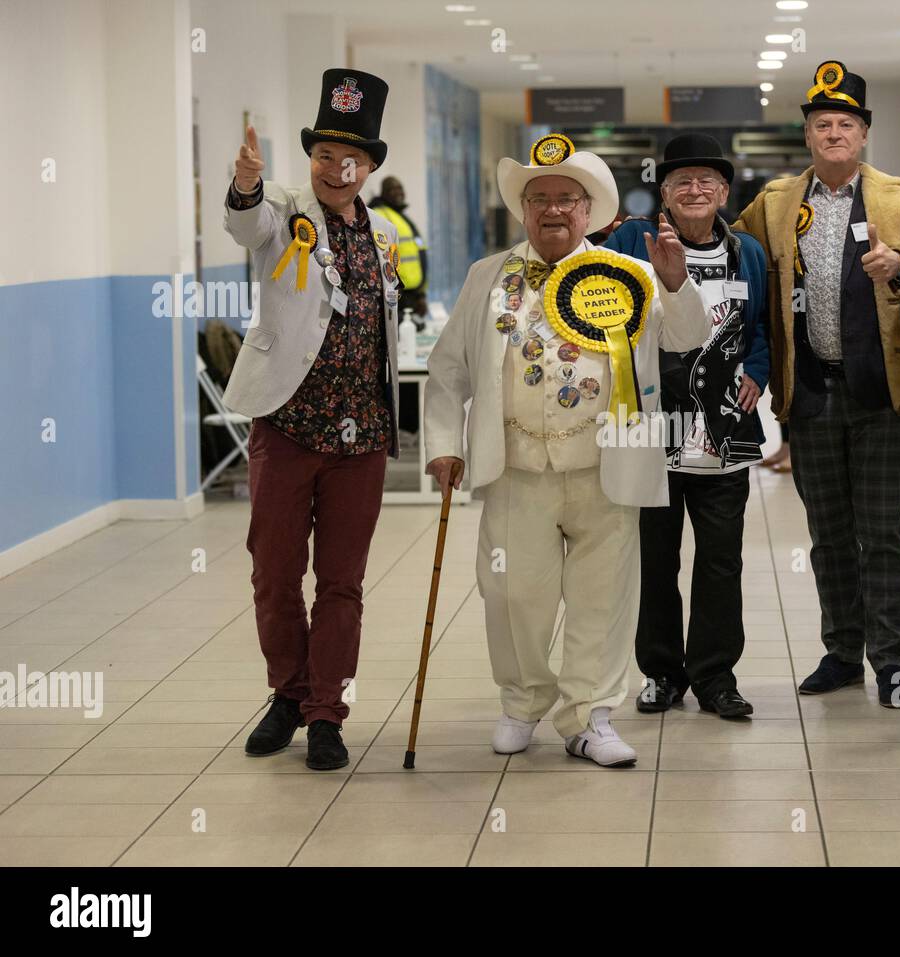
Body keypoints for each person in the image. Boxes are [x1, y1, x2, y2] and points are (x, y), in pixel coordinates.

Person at [423, 134, 710, 767]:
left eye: (567, 200)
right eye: (540, 199)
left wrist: (676, 283)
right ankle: (521, 702)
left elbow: (689, 337)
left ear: (591, 212)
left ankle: (591, 717)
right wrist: (444, 444)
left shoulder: (630, 274)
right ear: (523, 210)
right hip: (514, 468)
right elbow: (448, 370)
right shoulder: (487, 277)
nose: (553, 210)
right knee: (512, 592)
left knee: (601, 596)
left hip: (607, 463)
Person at [733, 61, 900, 706]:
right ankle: (841, 652)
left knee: (882, 532)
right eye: (822, 124)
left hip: (878, 390)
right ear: (808, 138)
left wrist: (899, 265)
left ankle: (893, 661)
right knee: (827, 534)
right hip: (810, 392)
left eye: (845, 123)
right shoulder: (772, 203)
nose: (833, 133)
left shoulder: (899, 200)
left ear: (864, 135)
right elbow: (728, 256)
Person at [224, 69, 402, 770]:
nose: (337, 168)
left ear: (371, 167)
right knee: (273, 573)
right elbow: (247, 224)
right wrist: (243, 183)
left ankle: (328, 710)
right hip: (288, 427)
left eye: (352, 157)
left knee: (342, 582)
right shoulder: (281, 207)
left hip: (362, 437)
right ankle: (287, 694)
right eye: (325, 154)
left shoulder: (384, 235)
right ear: (311, 160)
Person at [605, 133, 770, 719]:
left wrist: (757, 369)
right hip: (651, 429)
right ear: (664, 193)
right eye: (681, 182)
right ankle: (661, 673)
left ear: (724, 191)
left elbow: (761, 327)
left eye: (706, 181)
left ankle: (716, 675)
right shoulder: (632, 239)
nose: (694, 190)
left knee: (722, 559)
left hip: (723, 428)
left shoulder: (746, 251)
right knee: (655, 558)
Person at [369, 176, 428, 319]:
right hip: (397, 295)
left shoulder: (399, 216)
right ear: (383, 193)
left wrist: (421, 294)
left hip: (413, 294)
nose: (398, 192)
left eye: (400, 188)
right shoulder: (379, 215)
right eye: (392, 189)